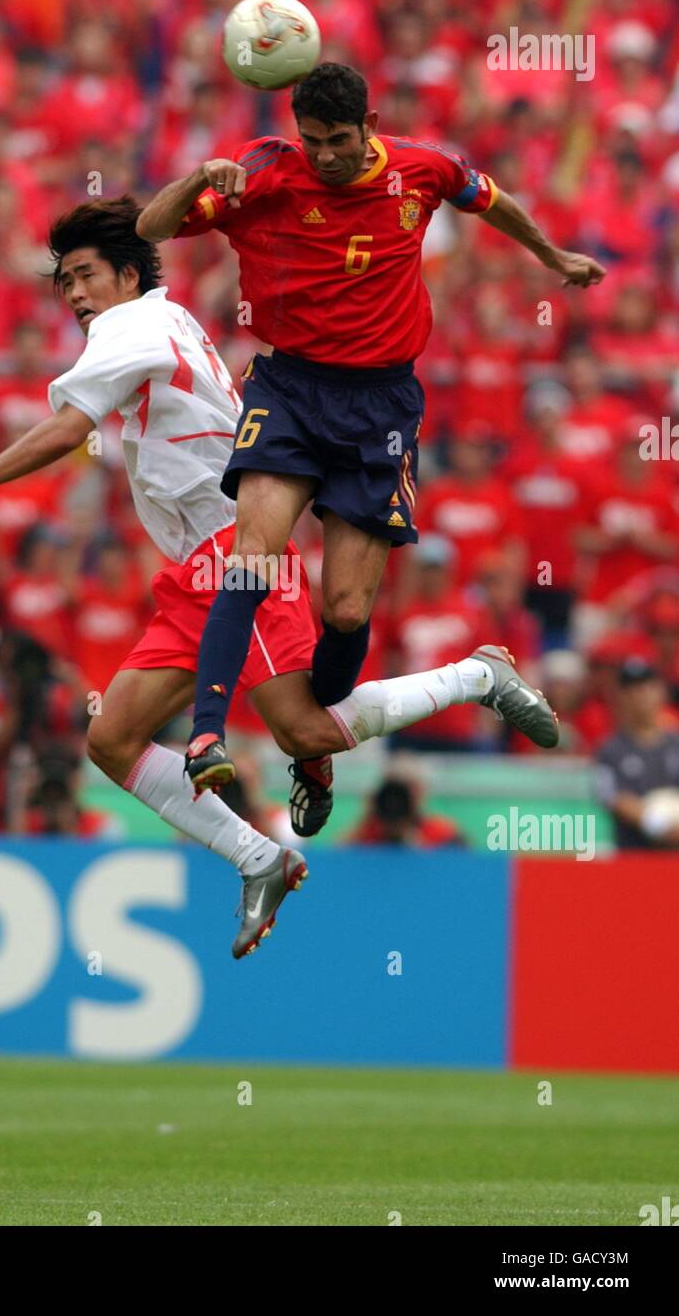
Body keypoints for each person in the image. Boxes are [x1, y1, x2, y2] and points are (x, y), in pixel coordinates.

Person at [0, 197, 558, 958]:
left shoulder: (129, 325)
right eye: (63, 282)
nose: (73, 296)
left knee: (301, 726)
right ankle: (259, 857)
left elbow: (71, 430)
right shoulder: (169, 319)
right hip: (195, 567)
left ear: (128, 274)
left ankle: (478, 676)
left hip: (239, 552)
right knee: (112, 738)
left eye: (85, 276)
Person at [136, 61, 605, 830]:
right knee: (251, 555)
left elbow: (490, 200)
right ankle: (206, 736)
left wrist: (552, 258)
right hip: (286, 391)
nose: (323, 155)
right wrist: (196, 180)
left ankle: (315, 749)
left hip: (380, 405)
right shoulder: (264, 174)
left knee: (347, 612)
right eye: (311, 140)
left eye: (338, 141)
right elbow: (151, 230)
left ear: (372, 126)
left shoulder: (422, 170)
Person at [594, 656, 679, 850]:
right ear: (621, 697)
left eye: (648, 687)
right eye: (632, 689)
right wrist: (660, 825)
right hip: (634, 858)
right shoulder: (611, 750)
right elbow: (613, 797)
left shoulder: (676, 744)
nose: (640, 695)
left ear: (661, 692)